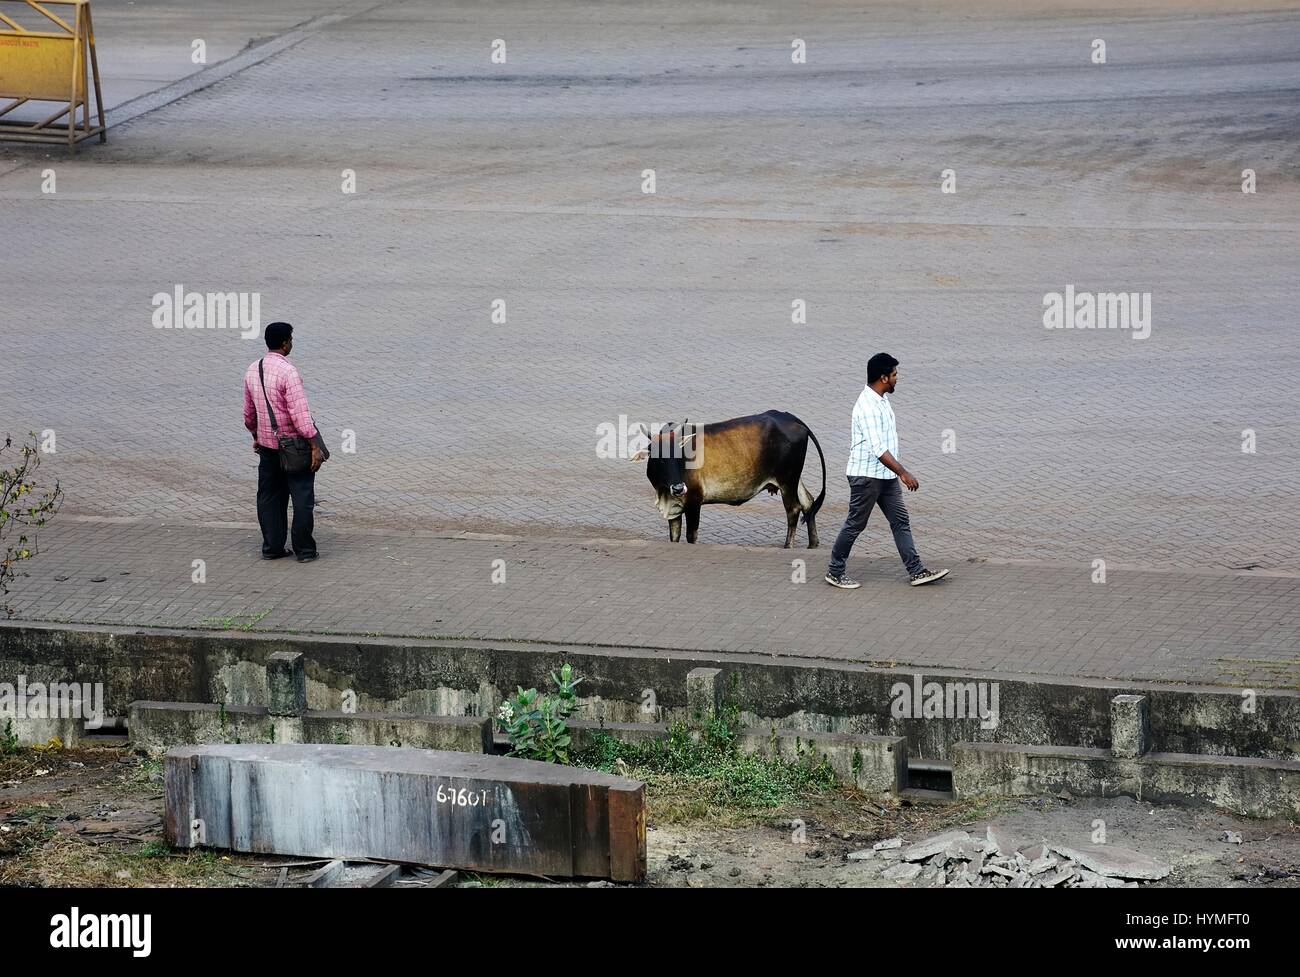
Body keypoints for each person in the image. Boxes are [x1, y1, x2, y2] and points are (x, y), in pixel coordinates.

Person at [825, 352, 948, 589]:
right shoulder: (867, 406)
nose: (896, 378)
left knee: (900, 521)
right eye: (894, 375)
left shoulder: (881, 399)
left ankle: (916, 571)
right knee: (855, 524)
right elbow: (878, 448)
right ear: (883, 378)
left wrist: (895, 473)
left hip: (885, 475)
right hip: (866, 477)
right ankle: (835, 571)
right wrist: (903, 472)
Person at [243, 321, 324, 562]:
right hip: (294, 447)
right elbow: (300, 415)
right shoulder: (289, 372)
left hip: (268, 447)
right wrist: (314, 444)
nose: (291, 343)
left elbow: (249, 414)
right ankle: (305, 550)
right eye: (291, 339)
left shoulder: (253, 369)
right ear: (285, 343)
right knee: (302, 499)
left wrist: (256, 435)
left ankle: (272, 547)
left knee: (269, 497)